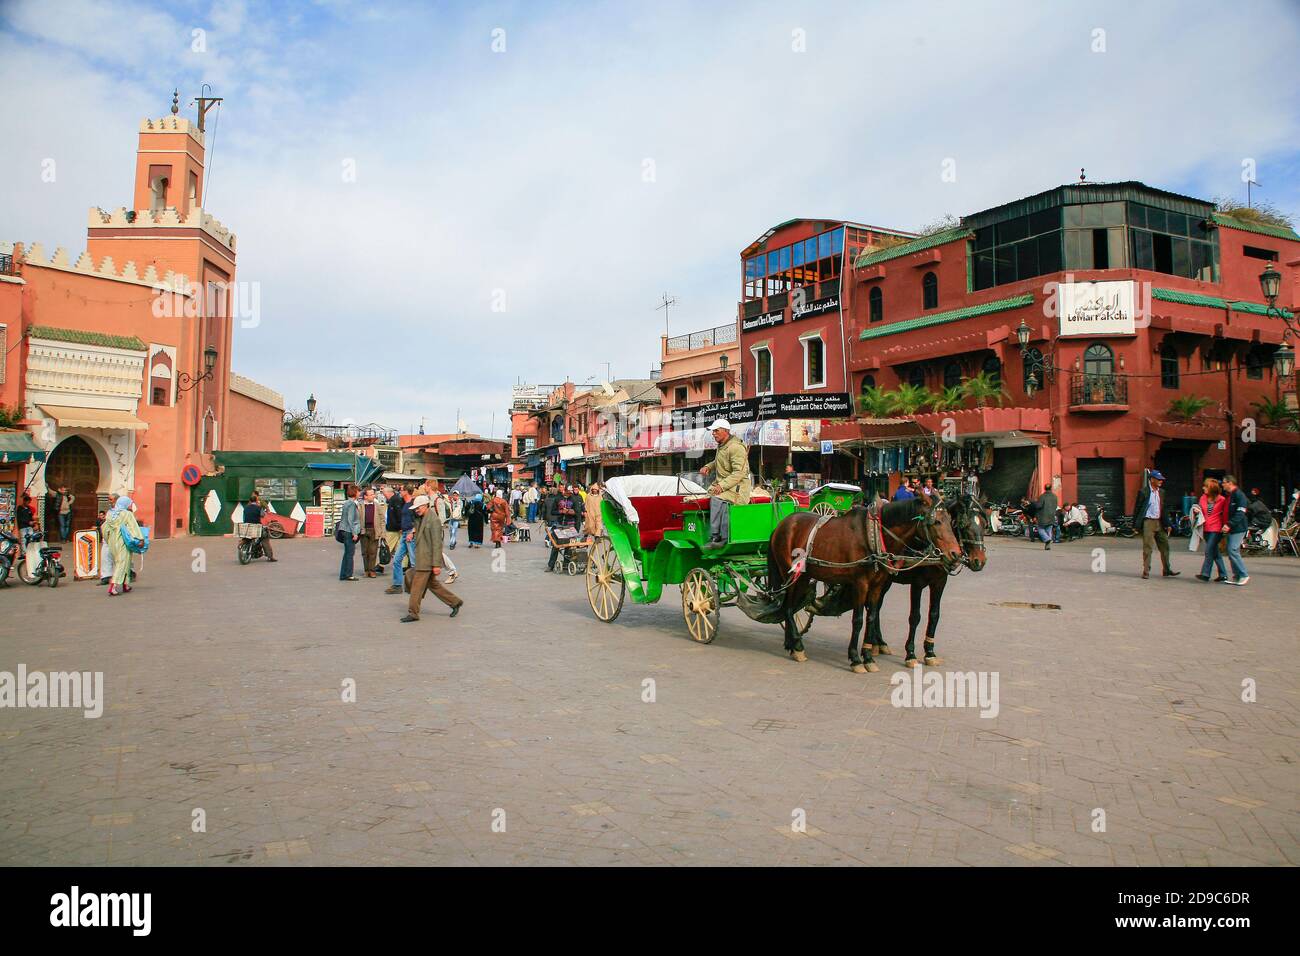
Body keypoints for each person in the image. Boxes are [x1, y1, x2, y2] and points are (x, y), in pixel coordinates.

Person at [400, 494, 464, 623]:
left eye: (418, 508)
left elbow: (437, 544)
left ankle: (413, 613)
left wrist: (436, 565)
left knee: (417, 587)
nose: (416, 510)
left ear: (425, 506)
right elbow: (419, 529)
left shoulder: (433, 520)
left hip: (427, 560)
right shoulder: (422, 517)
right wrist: (412, 532)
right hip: (423, 558)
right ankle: (455, 602)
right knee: (433, 585)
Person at [698, 418, 751, 550]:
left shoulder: (735, 447)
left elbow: (739, 473)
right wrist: (708, 467)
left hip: (738, 490)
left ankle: (719, 537)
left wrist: (721, 486)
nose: (713, 433)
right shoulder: (723, 446)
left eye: (716, 431)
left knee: (717, 499)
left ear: (726, 431)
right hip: (728, 486)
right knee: (709, 495)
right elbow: (719, 462)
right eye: (713, 431)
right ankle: (713, 534)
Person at [1131, 469, 1180, 579]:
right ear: (1152, 479)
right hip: (1148, 522)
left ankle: (1167, 570)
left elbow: (1164, 509)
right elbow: (1137, 509)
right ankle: (1146, 571)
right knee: (1148, 547)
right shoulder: (1144, 492)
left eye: (1161, 479)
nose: (1161, 481)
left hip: (1159, 522)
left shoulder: (1161, 492)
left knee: (1165, 546)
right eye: (1158, 479)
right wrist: (1135, 525)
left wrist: (1168, 524)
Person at [102, 495, 143, 596]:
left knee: (125, 561)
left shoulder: (110, 513)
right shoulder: (127, 514)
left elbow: (104, 527)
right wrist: (140, 539)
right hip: (123, 541)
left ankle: (125, 584)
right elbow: (133, 527)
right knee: (122, 562)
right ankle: (113, 586)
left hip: (112, 541)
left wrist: (107, 539)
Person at [1194, 478, 1229, 583]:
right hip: (1205, 528)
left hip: (1216, 529)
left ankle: (1205, 574)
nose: (1203, 488)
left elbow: (1226, 513)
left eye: (1205, 486)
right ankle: (1223, 574)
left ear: (1211, 488)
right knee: (1215, 552)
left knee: (1209, 550)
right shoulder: (1203, 498)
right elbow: (1200, 510)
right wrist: (1196, 511)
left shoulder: (1222, 500)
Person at [385, 486, 416, 594]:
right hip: (404, 534)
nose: (400, 492)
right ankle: (397, 585)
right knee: (397, 559)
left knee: (413, 562)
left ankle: (416, 585)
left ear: (406, 491)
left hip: (410, 535)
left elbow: (418, 520)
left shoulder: (413, 503)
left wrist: (412, 532)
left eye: (402, 490)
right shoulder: (404, 502)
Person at [1222, 475, 1250, 586]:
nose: (1222, 484)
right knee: (1231, 551)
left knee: (1232, 550)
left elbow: (1240, 513)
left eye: (1224, 482)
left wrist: (1229, 524)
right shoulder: (1231, 495)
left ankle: (1244, 574)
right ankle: (1237, 576)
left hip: (1238, 528)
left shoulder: (1239, 495)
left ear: (1230, 483)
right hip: (1232, 528)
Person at [546, 484, 581, 572]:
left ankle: (566, 564)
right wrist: (561, 511)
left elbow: (578, 514)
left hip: (570, 525)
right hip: (559, 525)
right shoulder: (558, 499)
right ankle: (551, 565)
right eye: (566, 492)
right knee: (555, 545)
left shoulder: (575, 500)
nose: (568, 494)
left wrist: (570, 512)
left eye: (570, 492)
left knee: (568, 546)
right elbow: (552, 511)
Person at [242, 492, 277, 562]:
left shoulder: (246, 508)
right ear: (256, 500)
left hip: (247, 527)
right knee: (265, 539)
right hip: (256, 527)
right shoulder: (258, 508)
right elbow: (263, 515)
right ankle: (270, 557)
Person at [337, 484, 361, 581]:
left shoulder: (346, 503)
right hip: (349, 530)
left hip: (343, 530)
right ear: (355, 492)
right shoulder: (352, 504)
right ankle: (348, 574)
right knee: (350, 553)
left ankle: (343, 574)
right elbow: (351, 519)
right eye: (358, 492)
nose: (359, 493)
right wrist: (354, 533)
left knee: (346, 553)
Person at [384, 484, 404, 567]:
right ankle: (403, 565)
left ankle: (381, 564)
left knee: (387, 547)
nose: (384, 496)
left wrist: (400, 526)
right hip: (394, 527)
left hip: (394, 528)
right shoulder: (393, 500)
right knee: (399, 548)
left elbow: (399, 514)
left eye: (384, 493)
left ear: (389, 493)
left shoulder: (395, 500)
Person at [1035, 483, 1058, 550]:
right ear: (1051, 488)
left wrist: (1036, 503)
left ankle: (1047, 539)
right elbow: (1056, 506)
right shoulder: (1055, 496)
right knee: (1049, 530)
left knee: (1040, 529)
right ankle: (1048, 545)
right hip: (1051, 515)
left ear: (1045, 488)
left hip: (1043, 516)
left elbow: (1039, 506)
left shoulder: (1042, 496)